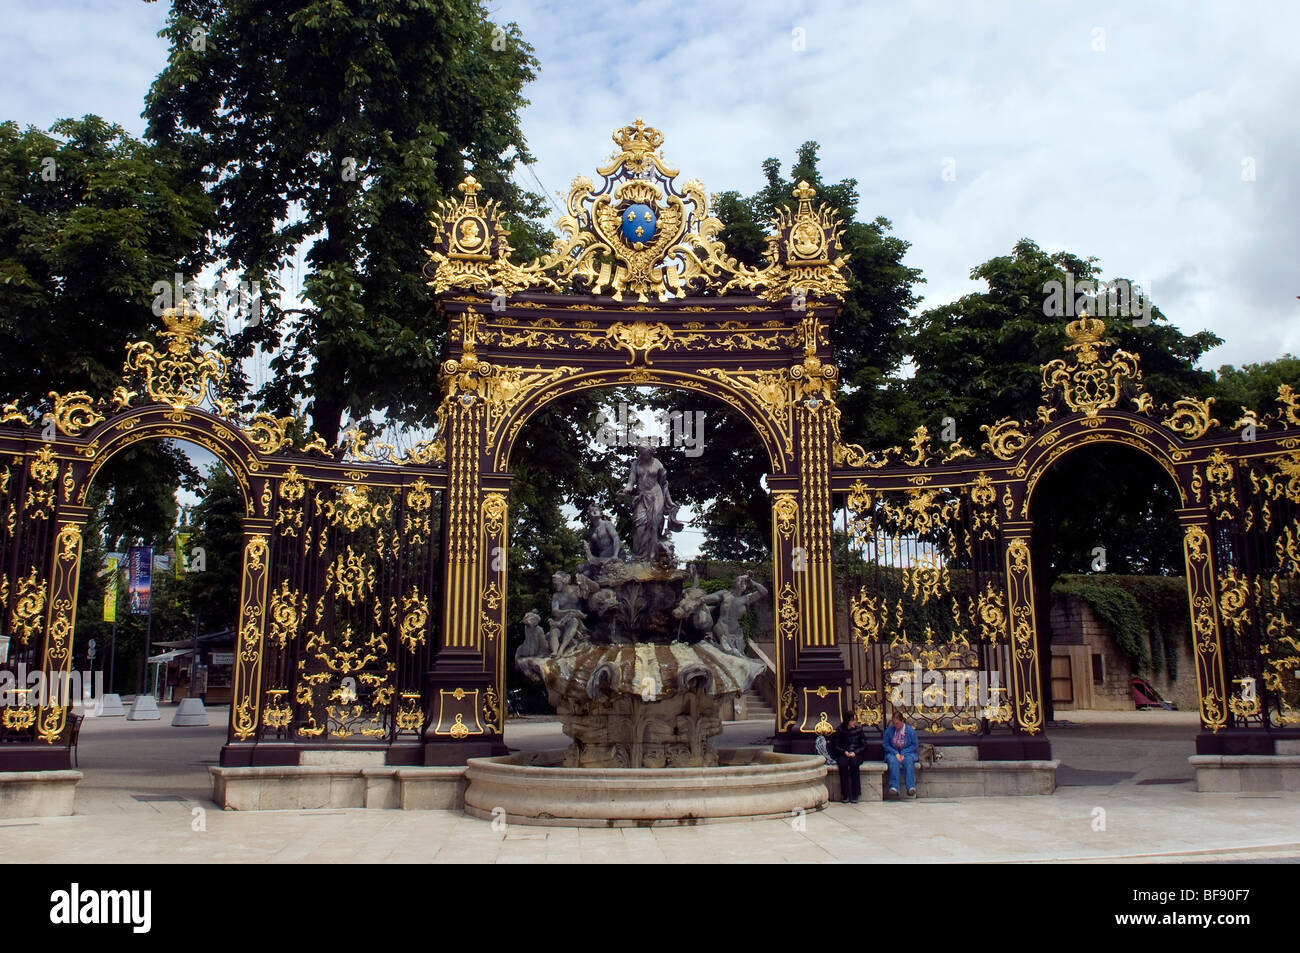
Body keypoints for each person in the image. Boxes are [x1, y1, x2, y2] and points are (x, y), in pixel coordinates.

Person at [830, 712, 868, 803]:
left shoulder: (859, 730)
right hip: (843, 754)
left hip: (856, 754)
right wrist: (844, 752)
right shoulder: (840, 730)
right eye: (852, 720)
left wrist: (855, 752)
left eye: (855, 720)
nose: (854, 722)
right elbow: (836, 745)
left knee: (854, 765)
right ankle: (845, 794)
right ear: (847, 721)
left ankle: (855, 794)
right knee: (843, 766)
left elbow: (864, 745)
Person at [883, 710, 919, 799]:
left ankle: (910, 787)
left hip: (907, 753)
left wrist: (903, 753)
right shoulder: (889, 730)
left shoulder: (910, 731)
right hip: (893, 752)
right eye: (894, 723)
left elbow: (915, 745)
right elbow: (885, 744)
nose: (895, 725)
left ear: (902, 721)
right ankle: (894, 787)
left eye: (897, 723)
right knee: (893, 761)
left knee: (908, 761)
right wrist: (896, 753)